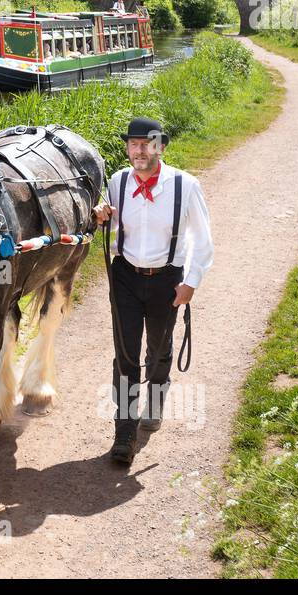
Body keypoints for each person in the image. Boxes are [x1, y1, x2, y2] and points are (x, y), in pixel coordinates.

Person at [93, 116, 214, 465]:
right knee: (126, 355)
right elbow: (111, 220)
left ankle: (158, 394)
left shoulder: (185, 186)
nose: (139, 150)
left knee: (159, 348)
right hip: (126, 278)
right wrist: (100, 214)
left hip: (167, 279)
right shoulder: (117, 182)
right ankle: (125, 433)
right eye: (133, 144)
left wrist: (190, 282)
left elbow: (203, 241)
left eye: (147, 144)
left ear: (160, 147)